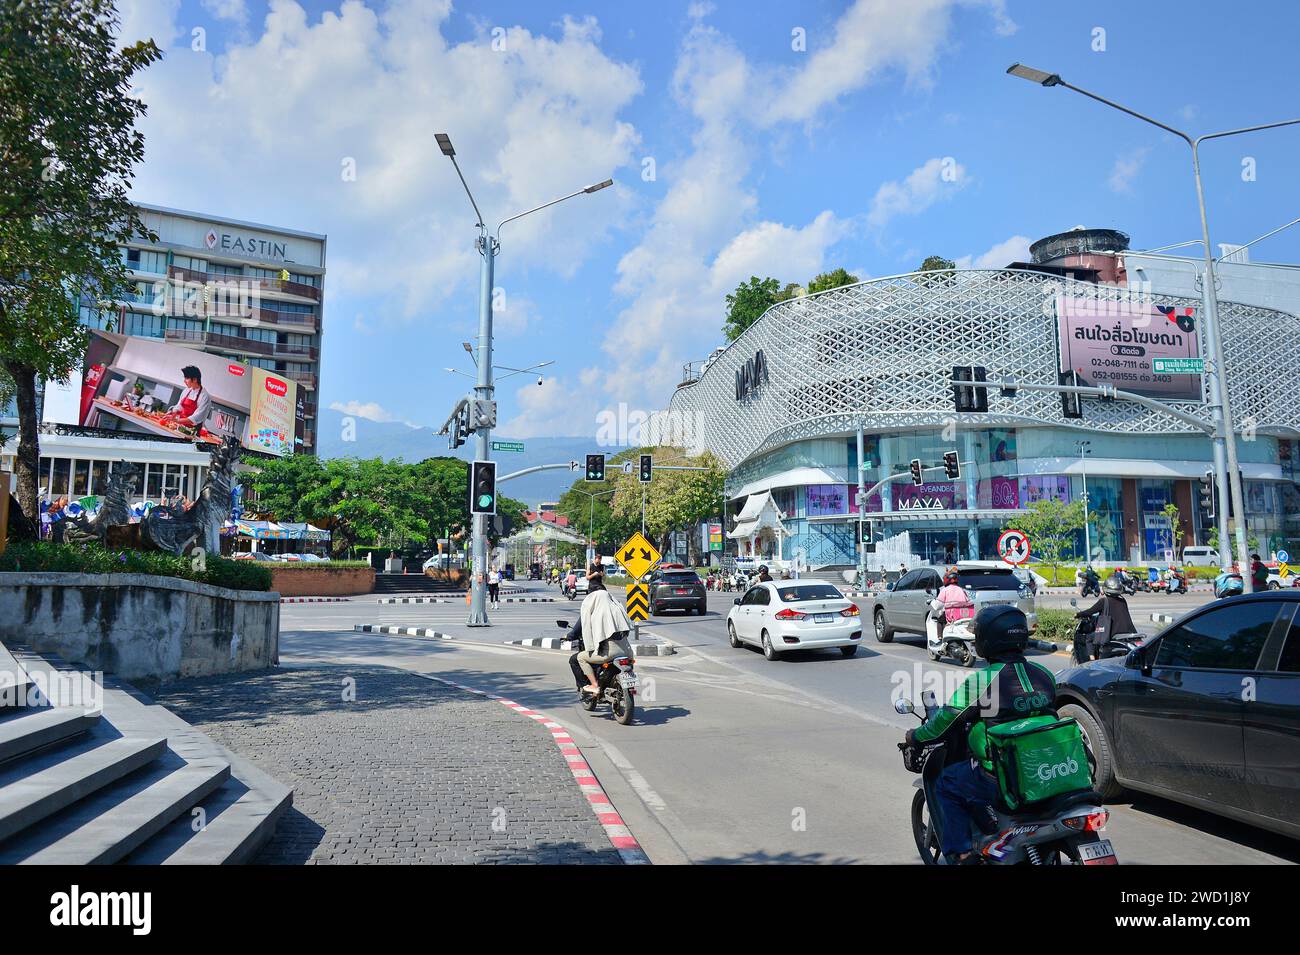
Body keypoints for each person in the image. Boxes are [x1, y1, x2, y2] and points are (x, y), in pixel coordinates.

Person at [905, 606, 1057, 864]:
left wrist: (915, 736)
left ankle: (964, 854)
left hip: (1001, 776)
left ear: (986, 641)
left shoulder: (982, 680)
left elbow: (944, 721)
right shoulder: (1045, 675)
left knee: (947, 784)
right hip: (1050, 768)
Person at [576, 572, 634, 696]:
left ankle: (594, 685)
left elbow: (585, 627)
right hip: (627, 651)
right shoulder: (617, 607)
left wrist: (589, 645)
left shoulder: (595, 611)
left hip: (608, 653)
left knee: (581, 657)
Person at [1074, 575, 1137, 660]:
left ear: (1106, 589)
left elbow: (1090, 611)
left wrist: (1078, 614)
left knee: (1089, 638)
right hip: (1128, 632)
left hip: (1112, 632)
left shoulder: (1104, 601)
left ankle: (1092, 662)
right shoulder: (1123, 600)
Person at [926, 567, 974, 645]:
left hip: (952, 615)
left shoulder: (945, 590)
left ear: (947, 580)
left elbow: (937, 606)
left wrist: (932, 602)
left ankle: (940, 640)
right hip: (964, 616)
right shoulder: (961, 590)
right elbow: (968, 601)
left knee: (940, 621)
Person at [161, 365, 212, 430]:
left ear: (195, 379)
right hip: (180, 427)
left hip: (193, 431)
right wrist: (173, 413)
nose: (184, 381)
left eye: (187, 378)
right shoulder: (186, 390)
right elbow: (179, 406)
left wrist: (176, 420)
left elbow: (196, 418)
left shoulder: (205, 396)